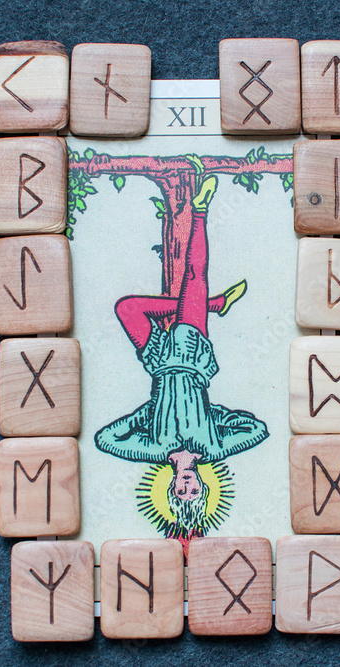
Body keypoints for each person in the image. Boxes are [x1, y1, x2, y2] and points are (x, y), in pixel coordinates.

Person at [94, 175, 269, 540]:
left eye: (181, 492)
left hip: (157, 360)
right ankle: (201, 211)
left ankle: (214, 304)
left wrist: (148, 412)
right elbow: (258, 430)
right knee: (194, 275)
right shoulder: (215, 446)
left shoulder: (152, 450)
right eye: (194, 491)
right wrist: (215, 415)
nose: (187, 487)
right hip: (191, 356)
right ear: (204, 486)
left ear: (171, 489)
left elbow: (105, 439)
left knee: (126, 308)